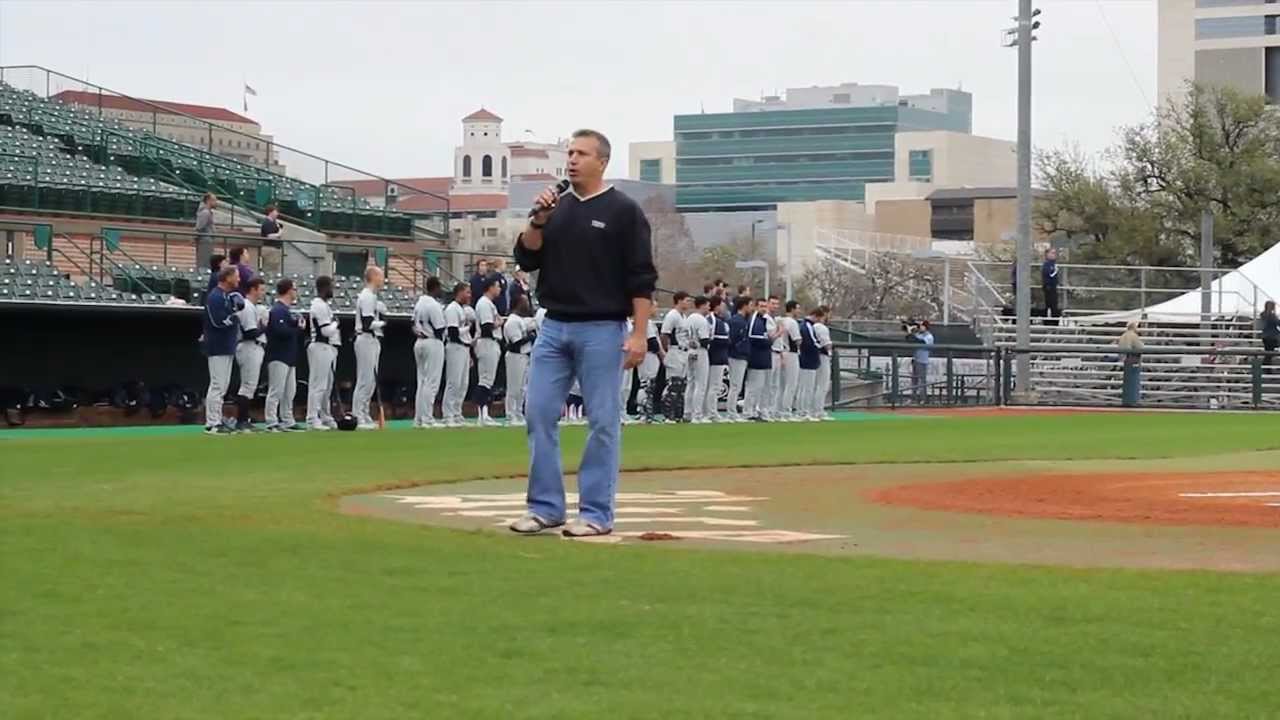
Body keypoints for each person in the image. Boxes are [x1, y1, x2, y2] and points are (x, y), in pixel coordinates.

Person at [508, 128, 657, 538]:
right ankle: (545, 508)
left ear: (601, 162)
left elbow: (642, 277)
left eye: (581, 153)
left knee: (603, 422)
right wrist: (537, 219)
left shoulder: (624, 211)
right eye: (570, 152)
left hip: (603, 328)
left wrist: (639, 333)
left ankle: (595, 513)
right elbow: (526, 256)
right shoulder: (556, 208)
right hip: (554, 325)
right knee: (538, 413)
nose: (572, 159)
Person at [202, 266, 240, 435]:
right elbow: (218, 322)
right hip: (217, 346)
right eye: (236, 276)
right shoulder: (215, 296)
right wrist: (235, 316)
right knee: (217, 385)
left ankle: (216, 420)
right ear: (227, 278)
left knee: (222, 386)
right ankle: (212, 423)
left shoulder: (226, 296)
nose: (238, 280)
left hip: (227, 346)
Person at [264, 278, 304, 432]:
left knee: (289, 391)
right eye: (294, 289)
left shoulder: (286, 311)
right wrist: (298, 328)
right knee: (276, 390)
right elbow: (281, 331)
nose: (296, 292)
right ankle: (271, 421)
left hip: (289, 356)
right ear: (288, 290)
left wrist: (295, 325)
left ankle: (287, 419)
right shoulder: (278, 310)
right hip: (278, 355)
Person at [232, 277, 268, 432]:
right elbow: (250, 332)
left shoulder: (252, 306)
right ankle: (241, 421)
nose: (263, 293)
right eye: (261, 289)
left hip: (252, 347)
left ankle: (244, 420)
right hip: (249, 346)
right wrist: (264, 327)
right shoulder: (247, 306)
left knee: (249, 385)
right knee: (248, 386)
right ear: (253, 289)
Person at [306, 276, 341, 431]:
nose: (333, 290)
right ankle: (312, 418)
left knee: (327, 385)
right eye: (331, 287)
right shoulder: (319, 305)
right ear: (325, 287)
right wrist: (335, 323)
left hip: (328, 347)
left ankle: (325, 416)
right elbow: (326, 331)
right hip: (320, 345)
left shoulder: (325, 305)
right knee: (318, 385)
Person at [352, 266, 386, 430]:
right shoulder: (366, 296)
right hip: (365, 338)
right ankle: (358, 415)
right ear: (373, 277)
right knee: (365, 378)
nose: (383, 279)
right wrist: (383, 322)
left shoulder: (373, 297)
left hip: (373, 339)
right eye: (380, 276)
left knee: (371, 379)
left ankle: (364, 413)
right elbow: (367, 324)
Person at [411, 277, 447, 428]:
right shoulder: (433, 305)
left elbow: (412, 324)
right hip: (432, 341)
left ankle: (419, 419)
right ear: (435, 287)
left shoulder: (419, 303)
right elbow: (439, 328)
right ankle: (427, 419)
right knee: (431, 382)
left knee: (422, 382)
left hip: (419, 341)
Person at [473, 276, 504, 426]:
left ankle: (484, 413)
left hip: (491, 342)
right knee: (485, 379)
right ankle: (482, 414)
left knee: (488, 379)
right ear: (490, 287)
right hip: (487, 342)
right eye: (497, 286)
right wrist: (498, 323)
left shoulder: (489, 303)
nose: (499, 289)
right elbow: (486, 327)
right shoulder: (484, 303)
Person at [442, 282, 474, 427]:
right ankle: (448, 415)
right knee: (453, 382)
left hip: (465, 347)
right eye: (467, 292)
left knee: (463, 383)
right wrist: (467, 329)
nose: (469, 295)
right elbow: (453, 332)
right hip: (455, 346)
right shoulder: (452, 308)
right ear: (459, 292)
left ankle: (457, 412)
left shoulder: (463, 309)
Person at [503, 296, 537, 426]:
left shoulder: (520, 320)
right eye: (524, 302)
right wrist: (529, 337)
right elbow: (515, 343)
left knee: (522, 387)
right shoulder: (512, 321)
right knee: (514, 387)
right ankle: (510, 414)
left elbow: (532, 322)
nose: (527, 304)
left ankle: (518, 412)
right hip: (515, 356)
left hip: (524, 356)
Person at [742, 298, 775, 422]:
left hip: (765, 357)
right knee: (753, 386)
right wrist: (772, 338)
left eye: (765, 306)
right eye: (761, 306)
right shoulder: (754, 320)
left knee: (765, 387)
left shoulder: (763, 320)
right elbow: (756, 339)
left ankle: (760, 410)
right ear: (756, 307)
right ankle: (748, 411)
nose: (763, 308)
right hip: (756, 358)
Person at [660, 292, 691, 420]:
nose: (688, 303)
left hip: (684, 351)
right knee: (673, 384)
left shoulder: (684, 316)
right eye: (686, 300)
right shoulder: (672, 315)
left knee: (681, 385)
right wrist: (665, 352)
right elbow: (664, 334)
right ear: (679, 301)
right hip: (674, 350)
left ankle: (678, 414)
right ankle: (668, 415)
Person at [683, 296, 712, 423]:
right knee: (701, 384)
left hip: (689, 350)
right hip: (700, 351)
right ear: (703, 305)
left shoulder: (689, 318)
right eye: (708, 305)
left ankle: (687, 413)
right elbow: (704, 340)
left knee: (690, 383)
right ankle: (697, 415)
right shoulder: (701, 320)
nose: (709, 308)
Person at [704, 295, 731, 422]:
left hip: (718, 357)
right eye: (722, 305)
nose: (724, 308)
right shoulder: (712, 320)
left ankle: (708, 411)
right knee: (713, 386)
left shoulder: (719, 320)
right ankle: (711, 412)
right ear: (717, 306)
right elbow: (714, 339)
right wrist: (727, 340)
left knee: (713, 386)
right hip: (715, 357)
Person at [796, 306, 826, 421]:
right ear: (816, 316)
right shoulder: (807, 326)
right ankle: (803, 411)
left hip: (806, 359)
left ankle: (802, 410)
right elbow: (812, 342)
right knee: (806, 387)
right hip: (808, 359)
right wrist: (820, 348)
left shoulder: (806, 325)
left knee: (805, 387)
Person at [725, 295, 752, 422]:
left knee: (737, 385)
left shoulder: (744, 320)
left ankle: (732, 410)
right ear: (744, 306)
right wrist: (739, 348)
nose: (751, 308)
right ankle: (731, 411)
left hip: (742, 356)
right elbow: (732, 338)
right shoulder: (736, 321)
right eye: (750, 305)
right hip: (736, 356)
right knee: (735, 385)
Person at [776, 300, 803, 421]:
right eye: (797, 308)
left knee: (781, 385)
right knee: (791, 384)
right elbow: (797, 340)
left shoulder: (779, 320)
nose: (799, 311)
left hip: (780, 352)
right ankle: (786, 411)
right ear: (792, 309)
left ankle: (778, 410)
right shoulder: (792, 322)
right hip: (791, 353)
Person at [811, 307, 834, 421]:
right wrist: (830, 348)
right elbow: (826, 344)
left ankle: (815, 410)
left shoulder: (813, 326)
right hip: (822, 356)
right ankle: (818, 410)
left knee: (816, 385)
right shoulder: (821, 327)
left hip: (816, 357)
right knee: (822, 385)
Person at [763, 295, 784, 419]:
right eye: (773, 303)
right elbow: (771, 336)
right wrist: (780, 330)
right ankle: (765, 409)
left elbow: (779, 340)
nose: (775, 306)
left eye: (777, 304)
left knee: (776, 384)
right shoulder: (765, 318)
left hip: (777, 352)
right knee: (768, 383)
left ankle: (773, 410)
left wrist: (782, 356)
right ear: (768, 304)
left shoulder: (776, 319)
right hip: (770, 352)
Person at [907, 320, 934, 403]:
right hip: (915, 359)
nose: (920, 327)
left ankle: (923, 399)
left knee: (921, 381)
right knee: (914, 380)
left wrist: (912, 333)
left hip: (922, 361)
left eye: (922, 326)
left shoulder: (929, 336)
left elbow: (920, 342)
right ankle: (913, 398)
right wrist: (910, 330)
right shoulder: (919, 334)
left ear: (926, 327)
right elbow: (910, 339)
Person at [1118, 320, 1144, 407]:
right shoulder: (1133, 336)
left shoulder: (1123, 336)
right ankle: (1133, 401)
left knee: (1127, 382)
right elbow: (1140, 347)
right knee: (1134, 382)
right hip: (1133, 360)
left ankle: (1127, 400)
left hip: (1125, 360)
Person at [259, 204, 284, 277]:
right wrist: (279, 233)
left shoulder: (274, 223)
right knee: (269, 270)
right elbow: (269, 236)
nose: (277, 214)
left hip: (274, 249)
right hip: (270, 249)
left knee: (273, 269)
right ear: (270, 212)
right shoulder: (267, 223)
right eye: (276, 211)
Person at [195, 192, 217, 270]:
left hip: (208, 241)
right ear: (208, 201)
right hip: (204, 241)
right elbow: (199, 227)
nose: (216, 202)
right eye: (214, 200)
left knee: (208, 264)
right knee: (204, 265)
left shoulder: (208, 212)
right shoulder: (205, 213)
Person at [1042, 248, 1060, 320]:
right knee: (1050, 304)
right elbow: (1048, 274)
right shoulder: (1047, 264)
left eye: (1054, 253)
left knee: (1054, 304)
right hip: (1049, 287)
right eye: (1052, 253)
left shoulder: (1053, 263)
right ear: (1047, 254)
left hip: (1053, 287)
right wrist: (1055, 270)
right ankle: (1049, 320)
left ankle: (1054, 319)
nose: (1054, 255)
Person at [1261, 300, 1279, 365]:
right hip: (1272, 337)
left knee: (1268, 354)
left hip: (1265, 336)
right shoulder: (1271, 316)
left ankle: (1267, 368)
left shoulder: (1263, 314)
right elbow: (1278, 323)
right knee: (1269, 354)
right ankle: (1267, 368)